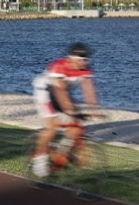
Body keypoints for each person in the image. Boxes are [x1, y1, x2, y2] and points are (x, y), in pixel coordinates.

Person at [31, 42, 100, 178]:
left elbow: (89, 90)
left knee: (76, 128)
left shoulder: (86, 69)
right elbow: (60, 90)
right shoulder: (59, 66)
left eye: (87, 59)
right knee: (51, 128)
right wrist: (69, 109)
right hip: (45, 92)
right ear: (72, 59)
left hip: (63, 93)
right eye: (81, 60)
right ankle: (39, 162)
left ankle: (62, 155)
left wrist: (94, 108)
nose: (85, 62)